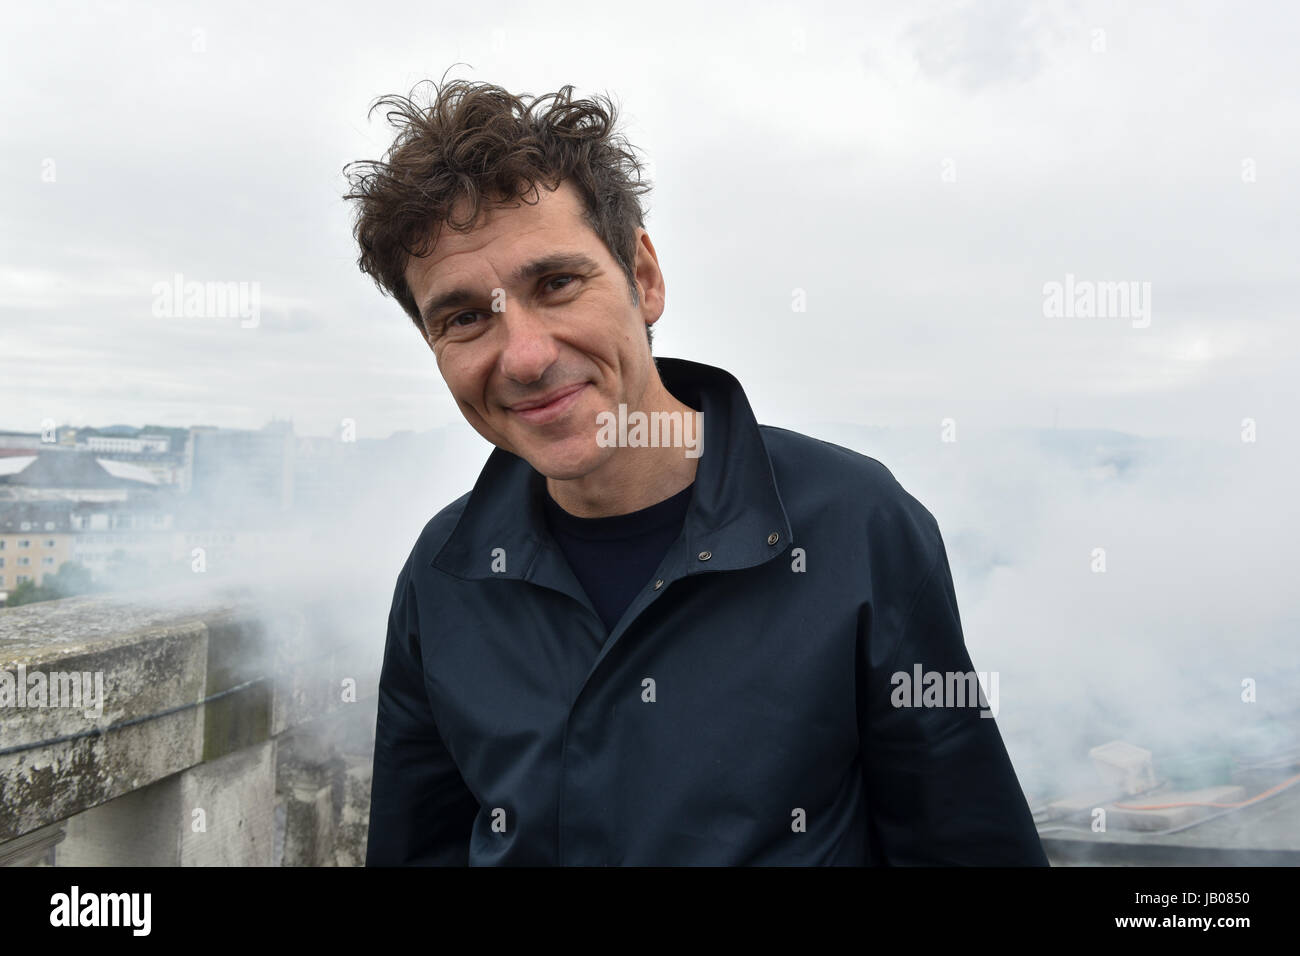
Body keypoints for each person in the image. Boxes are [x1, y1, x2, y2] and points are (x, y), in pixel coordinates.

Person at [343, 77, 1048, 866]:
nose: (528, 356)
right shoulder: (443, 571)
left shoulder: (856, 522)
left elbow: (967, 843)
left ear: (643, 277)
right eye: (466, 316)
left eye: (557, 284)